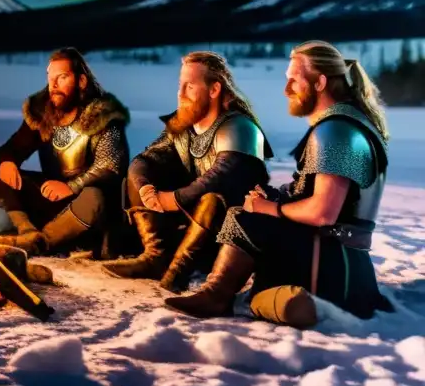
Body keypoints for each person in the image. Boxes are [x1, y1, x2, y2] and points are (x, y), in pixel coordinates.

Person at [165, 41, 394, 326]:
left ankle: (219, 295)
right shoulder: (346, 123)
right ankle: (253, 296)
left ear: (320, 82)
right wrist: (275, 197)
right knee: (252, 212)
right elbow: (324, 198)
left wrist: (269, 208)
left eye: (294, 80)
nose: (286, 90)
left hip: (331, 264)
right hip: (343, 260)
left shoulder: (335, 131)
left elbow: (324, 213)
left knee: (244, 216)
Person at [103, 51, 272, 291]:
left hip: (226, 239)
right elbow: (145, 159)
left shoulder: (240, 127)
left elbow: (218, 178)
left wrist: (172, 200)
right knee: (137, 176)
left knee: (213, 199)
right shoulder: (183, 125)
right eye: (180, 85)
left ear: (214, 90)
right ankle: (156, 257)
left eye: (190, 86)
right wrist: (146, 189)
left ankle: (178, 270)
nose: (181, 94)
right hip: (185, 226)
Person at [0, 47, 130, 257]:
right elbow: (12, 148)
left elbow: (110, 166)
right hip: (50, 197)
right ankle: (27, 231)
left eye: (62, 77)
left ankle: (42, 242)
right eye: (50, 78)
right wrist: (8, 161)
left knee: (94, 196)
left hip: (84, 206)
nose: (54, 85)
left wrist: (71, 186)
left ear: (81, 82)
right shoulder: (43, 114)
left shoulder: (104, 117)